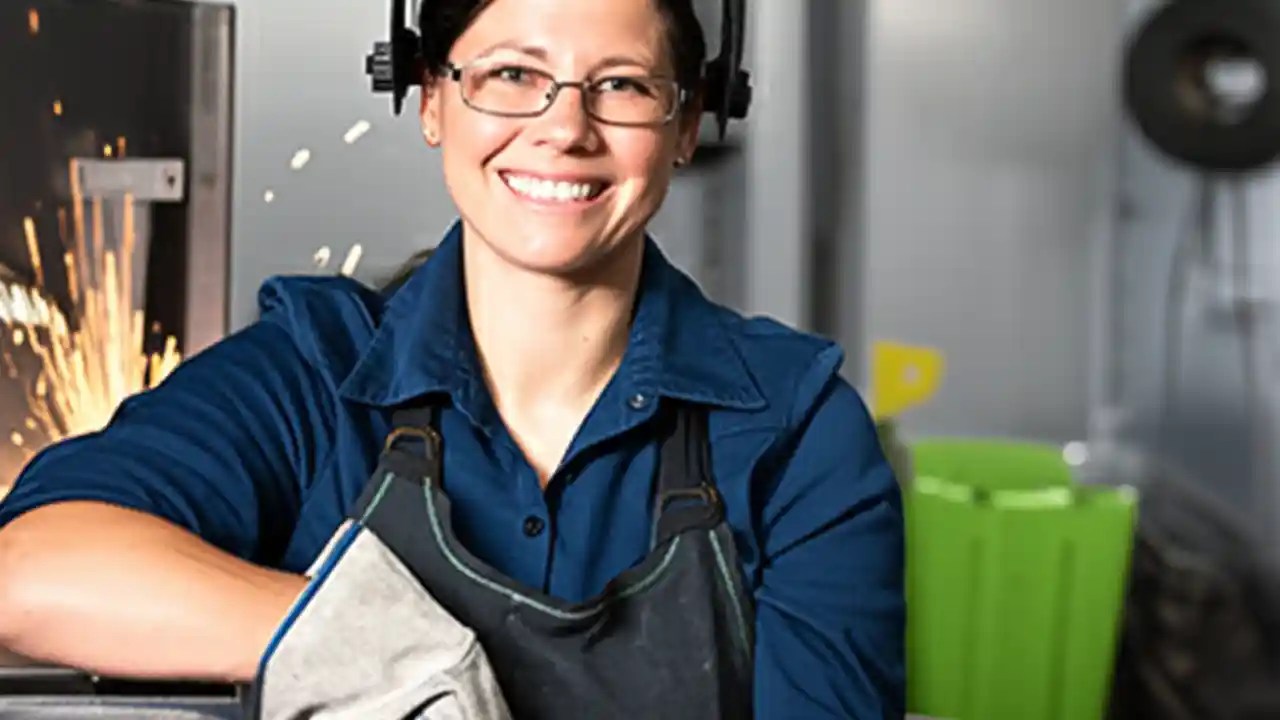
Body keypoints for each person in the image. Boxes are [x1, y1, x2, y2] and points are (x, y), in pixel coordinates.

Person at [0, 0, 906, 716]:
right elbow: (28, 570)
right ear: (431, 99)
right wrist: (368, 639)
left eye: (622, 85)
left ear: (686, 121)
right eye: (512, 74)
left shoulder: (792, 428)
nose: (565, 128)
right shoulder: (317, 373)